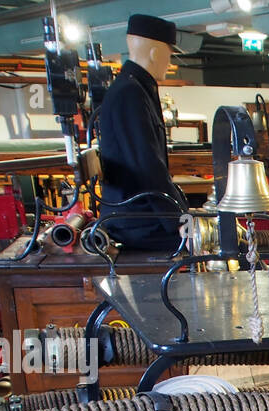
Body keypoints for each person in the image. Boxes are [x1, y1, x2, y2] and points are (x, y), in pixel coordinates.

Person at [97, 14, 189, 251]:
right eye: (169, 54)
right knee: (215, 243)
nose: (169, 62)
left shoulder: (134, 87)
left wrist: (182, 211)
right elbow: (147, 164)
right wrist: (178, 222)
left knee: (210, 232)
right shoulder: (130, 93)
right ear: (156, 52)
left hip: (137, 216)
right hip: (135, 222)